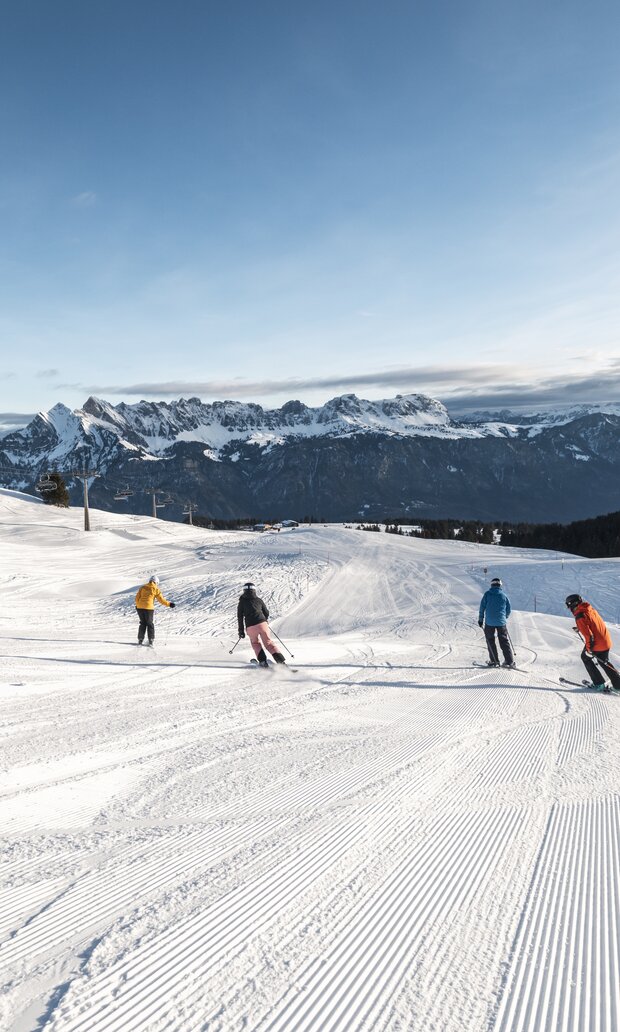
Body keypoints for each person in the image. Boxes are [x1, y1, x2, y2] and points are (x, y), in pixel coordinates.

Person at [565, 594, 620, 693]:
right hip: (605, 640)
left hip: (597, 643)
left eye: (570, 606)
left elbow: (589, 636)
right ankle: (618, 686)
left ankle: (599, 684)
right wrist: (580, 628)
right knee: (604, 662)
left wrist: (589, 650)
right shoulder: (589, 609)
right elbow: (592, 623)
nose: (570, 609)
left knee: (585, 657)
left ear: (573, 605)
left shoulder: (579, 616)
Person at [237, 582, 285, 666]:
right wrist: (264, 621)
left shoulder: (242, 602)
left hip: (251, 627)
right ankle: (281, 662)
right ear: (254, 590)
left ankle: (263, 662)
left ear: (244, 591)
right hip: (262, 624)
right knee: (269, 643)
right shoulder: (258, 600)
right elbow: (266, 612)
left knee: (255, 643)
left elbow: (240, 617)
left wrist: (241, 631)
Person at [478, 577, 515, 668]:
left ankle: (494, 661)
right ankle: (509, 661)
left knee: (490, 640)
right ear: (499, 585)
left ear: (492, 585)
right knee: (504, 641)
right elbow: (509, 609)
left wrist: (480, 619)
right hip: (501, 622)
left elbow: (482, 607)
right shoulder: (503, 595)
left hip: (489, 622)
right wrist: (504, 616)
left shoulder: (487, 594)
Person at [134, 574, 176, 646]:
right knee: (150, 624)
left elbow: (137, 598)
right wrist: (169, 604)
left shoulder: (143, 587)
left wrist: (138, 605)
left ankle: (140, 639)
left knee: (143, 623)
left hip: (139, 608)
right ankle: (151, 640)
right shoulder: (155, 589)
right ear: (156, 582)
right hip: (148, 608)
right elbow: (161, 600)